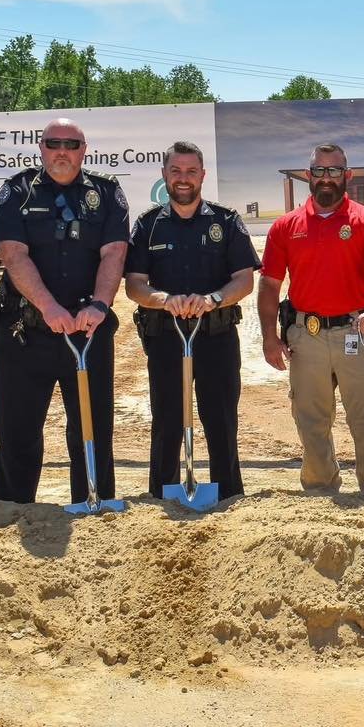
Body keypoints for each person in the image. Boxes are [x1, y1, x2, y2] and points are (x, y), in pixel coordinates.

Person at [0, 118, 129, 505]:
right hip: (26, 331)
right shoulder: (16, 190)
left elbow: (114, 252)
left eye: (72, 144)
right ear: (41, 147)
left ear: (84, 150)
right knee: (18, 432)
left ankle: (92, 508)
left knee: (92, 429)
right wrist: (48, 307)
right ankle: (13, 511)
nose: (62, 151)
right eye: (54, 143)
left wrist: (101, 303)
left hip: (88, 332)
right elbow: (13, 254)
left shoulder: (107, 191)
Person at [256, 143, 364, 492]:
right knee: (310, 419)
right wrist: (269, 338)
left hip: (356, 331)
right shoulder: (284, 227)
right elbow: (270, 285)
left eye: (334, 171)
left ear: (346, 176)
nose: (326, 178)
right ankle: (320, 491)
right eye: (319, 171)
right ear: (308, 176)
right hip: (307, 335)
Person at [125, 141, 259, 499]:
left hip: (216, 336)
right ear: (164, 175)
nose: (183, 179)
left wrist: (212, 299)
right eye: (176, 171)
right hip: (167, 339)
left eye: (191, 171)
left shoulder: (225, 220)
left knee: (221, 422)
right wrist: (165, 300)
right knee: (167, 422)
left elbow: (244, 279)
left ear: (202, 175)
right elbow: (135, 286)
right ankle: (164, 494)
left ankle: (228, 496)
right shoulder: (148, 225)